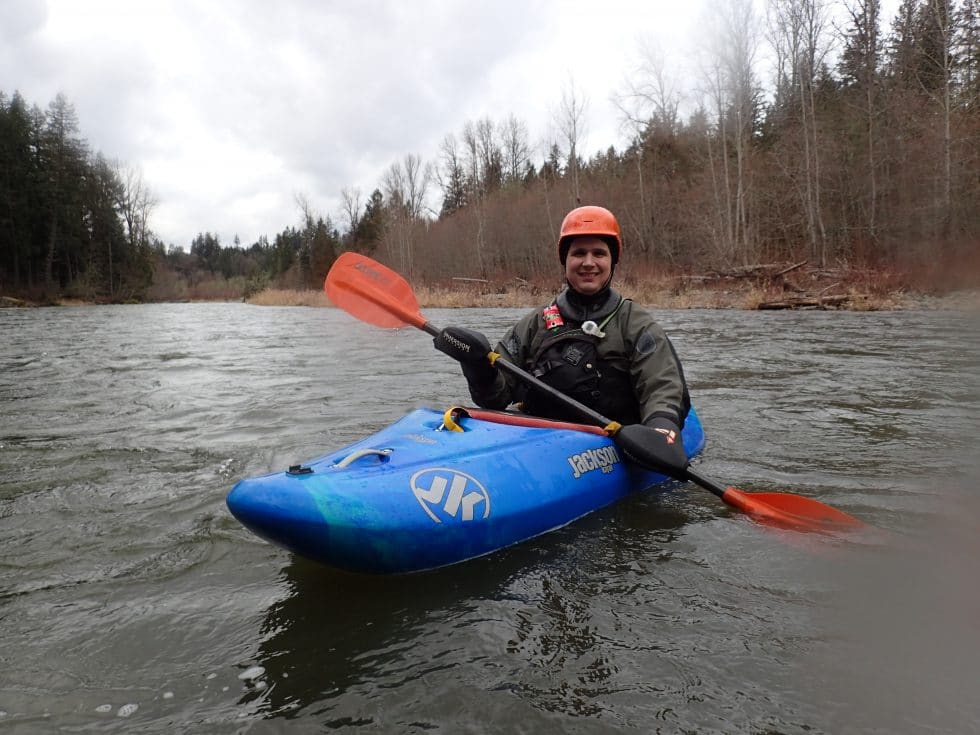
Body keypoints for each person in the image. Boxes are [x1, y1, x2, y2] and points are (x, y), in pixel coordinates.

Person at [433, 204, 691, 475]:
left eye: (599, 253)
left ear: (612, 262)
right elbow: (495, 399)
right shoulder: (536, 323)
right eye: (579, 253)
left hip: (613, 441)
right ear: (565, 261)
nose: (588, 262)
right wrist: (478, 368)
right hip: (542, 441)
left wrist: (662, 427)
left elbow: (661, 384)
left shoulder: (636, 323)